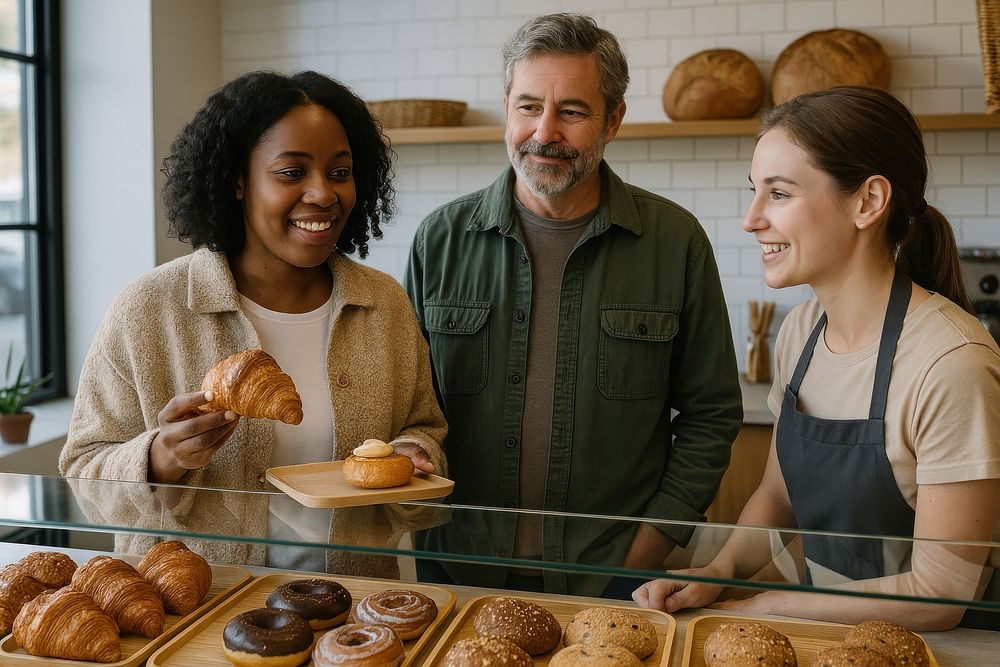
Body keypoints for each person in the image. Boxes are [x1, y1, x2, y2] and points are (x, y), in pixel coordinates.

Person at [633, 86, 1000, 630]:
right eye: (754, 191)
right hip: (825, 633)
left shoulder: (951, 364)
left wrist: (768, 604)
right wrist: (718, 573)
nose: (751, 218)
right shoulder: (800, 333)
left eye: (778, 194)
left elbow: (940, 595)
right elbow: (777, 496)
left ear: (868, 202)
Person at [404, 13, 742, 598]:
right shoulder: (440, 239)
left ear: (613, 120)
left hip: (614, 576)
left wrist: (648, 547)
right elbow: (404, 404)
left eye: (573, 111)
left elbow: (710, 416)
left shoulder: (675, 241)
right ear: (508, 105)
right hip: (458, 568)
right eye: (529, 106)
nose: (544, 132)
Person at [59, 70, 447, 579]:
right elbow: (84, 470)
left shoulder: (384, 305)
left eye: (339, 171)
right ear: (238, 180)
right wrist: (159, 458)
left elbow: (423, 427)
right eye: (291, 172)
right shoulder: (151, 308)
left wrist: (414, 455)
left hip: (352, 617)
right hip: (199, 616)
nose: (323, 194)